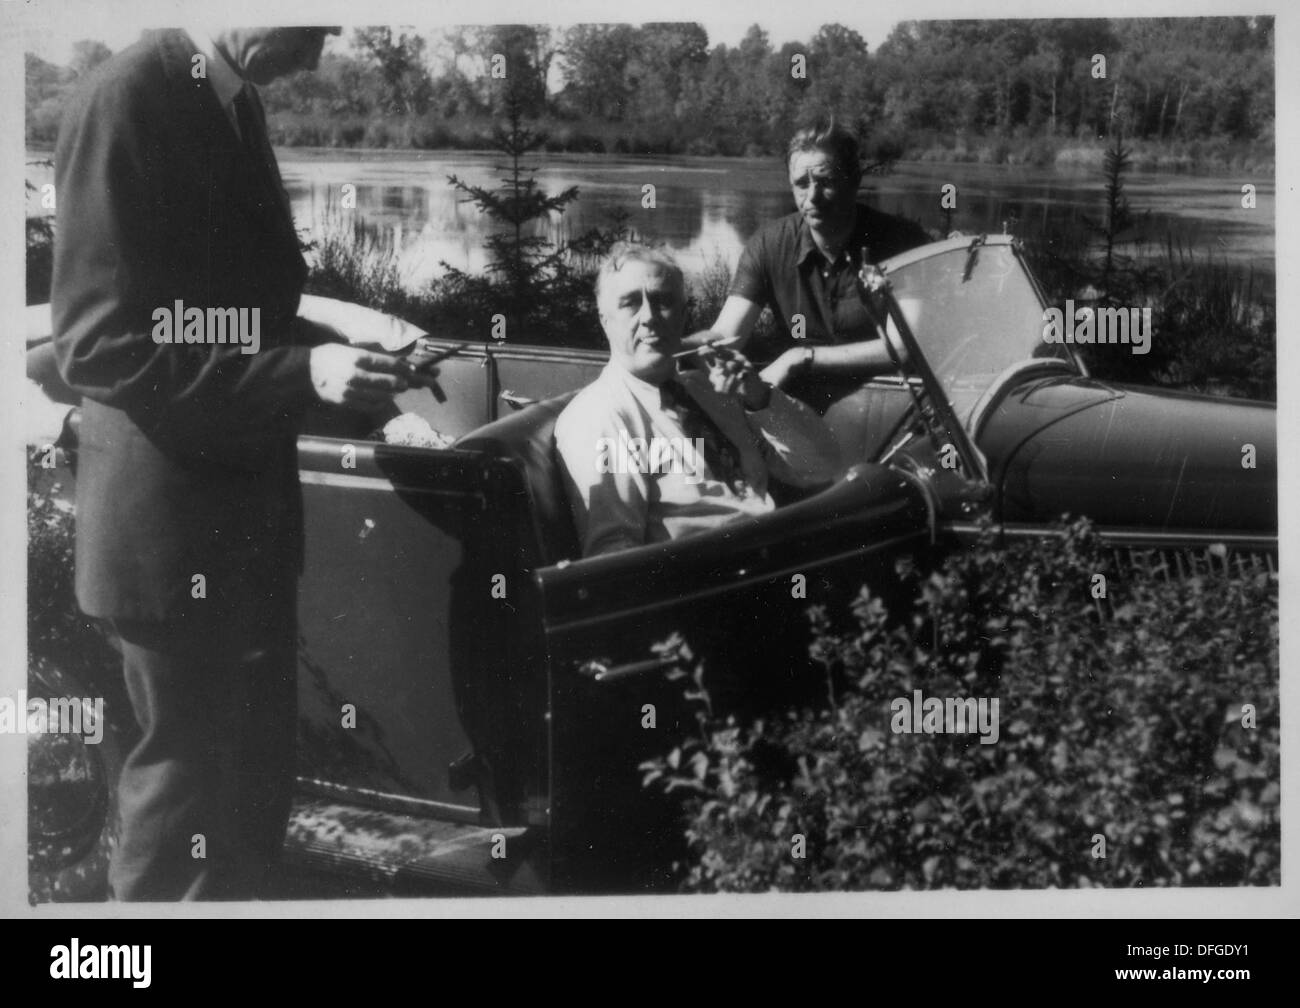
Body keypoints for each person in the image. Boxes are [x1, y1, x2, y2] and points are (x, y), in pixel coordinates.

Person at [51, 25, 424, 900]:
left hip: (240, 525)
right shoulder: (128, 96)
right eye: (313, 25)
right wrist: (307, 368)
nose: (319, 54)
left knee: (252, 797)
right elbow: (101, 344)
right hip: (168, 533)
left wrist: (345, 361)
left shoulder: (230, 99)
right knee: (182, 800)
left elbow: (226, 321)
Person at [555, 244, 842, 558]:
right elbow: (612, 553)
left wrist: (760, 399)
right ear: (604, 319)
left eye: (663, 301)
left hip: (775, 553)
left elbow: (821, 466)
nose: (649, 316)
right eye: (630, 303)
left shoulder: (711, 391)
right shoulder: (603, 417)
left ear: (683, 315)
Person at [685, 119, 931, 412]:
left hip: (886, 409)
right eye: (801, 184)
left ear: (854, 181)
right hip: (800, 408)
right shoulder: (769, 244)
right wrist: (675, 344)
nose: (812, 197)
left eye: (826, 182)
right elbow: (726, 336)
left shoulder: (902, 241)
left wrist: (801, 357)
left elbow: (903, 348)